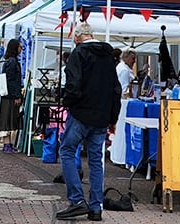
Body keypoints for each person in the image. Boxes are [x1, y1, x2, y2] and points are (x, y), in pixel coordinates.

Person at [56, 23, 120, 221]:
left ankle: (76, 200)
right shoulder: (108, 56)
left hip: (81, 113)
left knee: (66, 151)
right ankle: (96, 207)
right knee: (96, 161)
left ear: (77, 38)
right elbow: (115, 89)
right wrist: (112, 117)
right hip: (101, 116)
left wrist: (68, 102)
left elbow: (73, 84)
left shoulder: (78, 54)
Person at [109, 47, 136, 167]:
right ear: (126, 57)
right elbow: (124, 89)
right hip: (122, 102)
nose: (134, 61)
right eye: (132, 59)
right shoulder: (124, 70)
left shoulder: (120, 67)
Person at [0, 38, 23, 153]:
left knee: (8, 119)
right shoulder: (12, 62)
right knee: (8, 119)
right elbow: (11, 80)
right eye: (20, 47)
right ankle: (7, 144)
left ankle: (8, 143)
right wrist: (16, 95)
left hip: (7, 95)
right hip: (9, 96)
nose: (21, 49)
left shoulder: (9, 61)